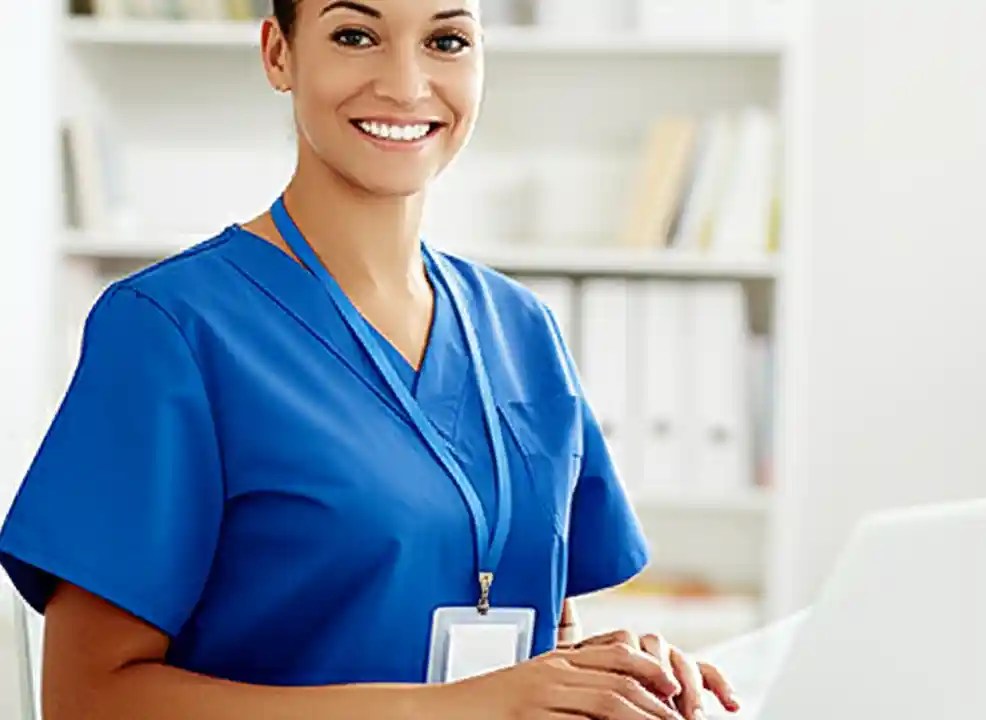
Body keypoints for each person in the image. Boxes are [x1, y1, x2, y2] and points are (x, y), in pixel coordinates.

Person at [0, 1, 741, 718]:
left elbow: (544, 635)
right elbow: (87, 700)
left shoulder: (523, 330)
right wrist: (454, 711)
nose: (406, 84)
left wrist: (612, 681)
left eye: (446, 42)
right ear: (278, 53)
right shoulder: (170, 329)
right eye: (356, 36)